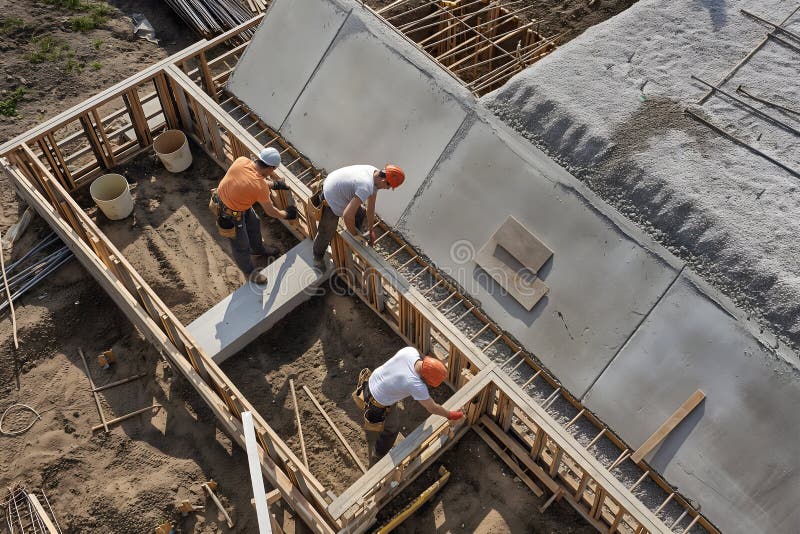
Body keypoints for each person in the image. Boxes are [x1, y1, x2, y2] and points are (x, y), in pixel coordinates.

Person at [355, 346, 464, 463]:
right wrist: (450, 414)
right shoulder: (416, 384)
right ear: (426, 379)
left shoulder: (410, 351)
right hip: (377, 402)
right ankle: (378, 454)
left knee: (392, 403)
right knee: (392, 429)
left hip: (370, 381)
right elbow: (432, 407)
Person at [213, 147, 297, 283]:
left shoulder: (242, 161)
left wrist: (275, 184)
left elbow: (253, 179)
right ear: (270, 168)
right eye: (273, 170)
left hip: (235, 201)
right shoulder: (259, 187)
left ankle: (257, 249)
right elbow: (271, 211)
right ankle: (249, 273)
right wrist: (287, 214)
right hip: (229, 214)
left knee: (254, 223)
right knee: (241, 245)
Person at [311, 164, 405, 271]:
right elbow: (347, 215)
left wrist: (371, 229)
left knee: (362, 215)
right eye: (387, 187)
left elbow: (371, 207)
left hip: (335, 186)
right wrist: (354, 235)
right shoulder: (366, 186)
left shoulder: (373, 172)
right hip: (331, 198)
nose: (386, 189)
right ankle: (317, 257)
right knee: (326, 232)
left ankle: (358, 238)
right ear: (384, 181)